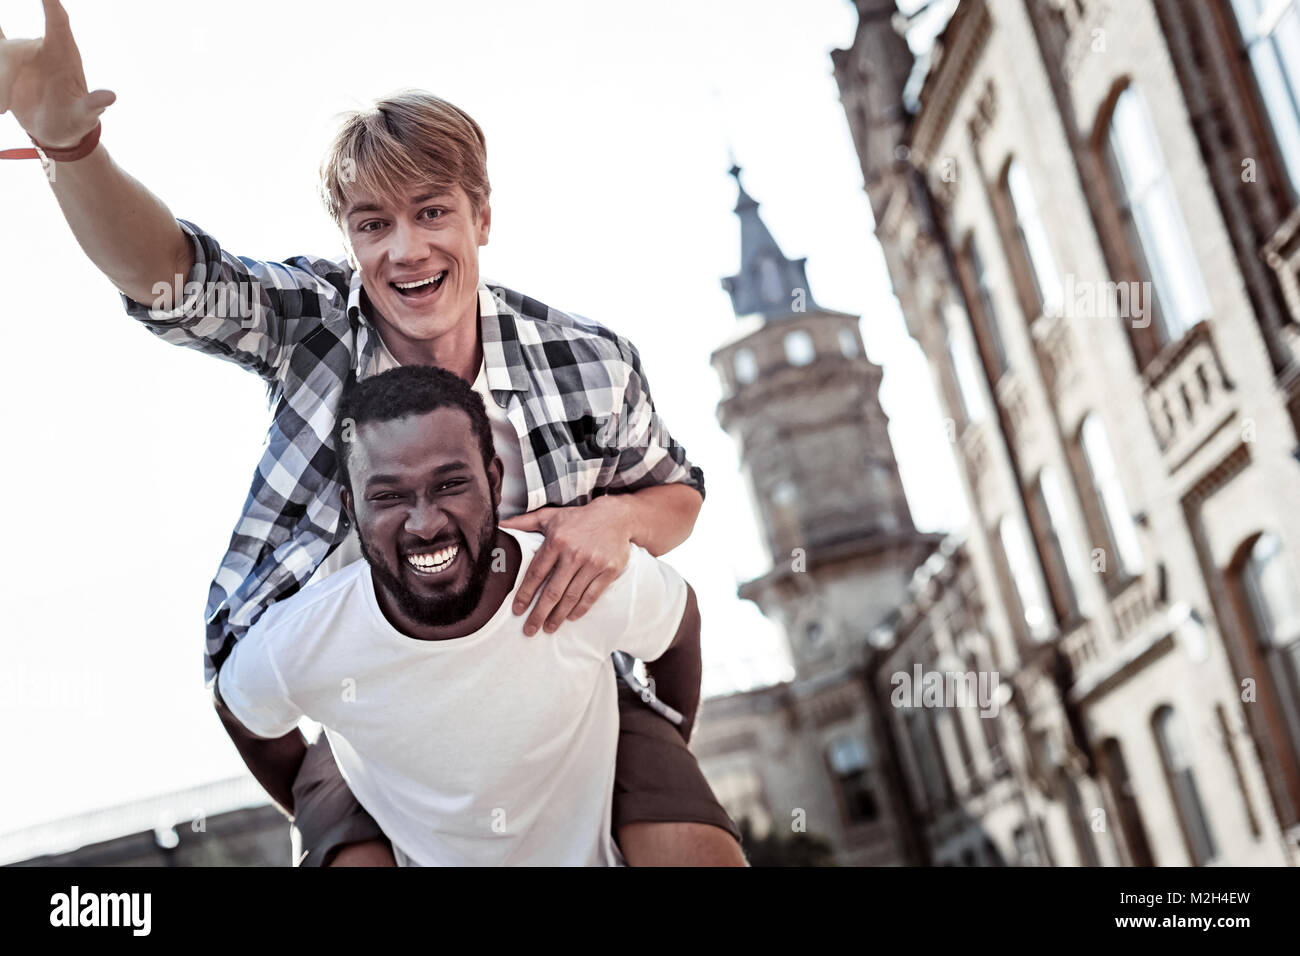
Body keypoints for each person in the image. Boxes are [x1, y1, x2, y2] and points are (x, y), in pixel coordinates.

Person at [0, 0, 745, 866]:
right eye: (372, 224)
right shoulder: (310, 326)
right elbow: (170, 276)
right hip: (367, 707)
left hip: (562, 683)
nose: (405, 251)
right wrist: (71, 148)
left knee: (692, 849)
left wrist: (616, 521)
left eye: (432, 213)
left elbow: (677, 494)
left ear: (483, 218)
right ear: (347, 236)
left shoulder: (586, 360)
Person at [217, 365, 705, 865]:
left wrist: (666, 743)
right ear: (351, 507)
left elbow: (679, 625)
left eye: (450, 485)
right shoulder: (305, 637)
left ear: (493, 481)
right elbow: (240, 710)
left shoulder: (575, 574)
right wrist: (329, 811)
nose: (425, 524)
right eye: (387, 496)